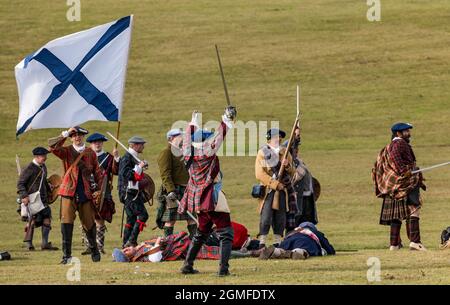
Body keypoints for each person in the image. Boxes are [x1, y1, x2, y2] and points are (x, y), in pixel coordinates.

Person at [178, 106, 237, 277]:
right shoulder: (207, 151)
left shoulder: (187, 151)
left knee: (201, 233)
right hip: (211, 197)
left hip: (197, 199)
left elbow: (188, 138)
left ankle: (187, 265)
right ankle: (223, 270)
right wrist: (227, 118)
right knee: (226, 233)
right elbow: (219, 138)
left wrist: (193, 122)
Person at [49, 126, 104, 264]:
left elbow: (97, 172)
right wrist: (65, 133)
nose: (77, 137)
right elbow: (52, 147)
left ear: (83, 136)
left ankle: (94, 250)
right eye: (73, 135)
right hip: (68, 191)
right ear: (71, 137)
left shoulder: (90, 153)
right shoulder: (66, 151)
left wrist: (100, 190)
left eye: (79, 135)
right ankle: (66, 255)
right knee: (66, 224)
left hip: (85, 192)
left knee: (89, 224)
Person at [372, 123, 427, 251]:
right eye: (406, 131)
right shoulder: (399, 144)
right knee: (414, 209)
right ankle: (415, 242)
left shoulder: (390, 145)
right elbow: (395, 157)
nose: (409, 133)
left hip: (395, 184)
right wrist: (404, 171)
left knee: (396, 215)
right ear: (398, 134)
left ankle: (394, 244)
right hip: (406, 182)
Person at [255, 128, 297, 248]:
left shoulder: (285, 152)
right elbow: (259, 174)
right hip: (268, 189)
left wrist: (287, 165)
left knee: (280, 216)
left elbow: (293, 172)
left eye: (279, 137)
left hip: (282, 188)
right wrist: (274, 184)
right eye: (275, 137)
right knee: (266, 215)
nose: (278, 139)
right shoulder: (263, 153)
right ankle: (262, 242)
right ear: (269, 139)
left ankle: (278, 241)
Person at [80, 133, 120, 255]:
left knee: (100, 219)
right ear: (91, 144)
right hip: (88, 191)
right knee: (86, 219)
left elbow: (116, 171)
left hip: (103, 192)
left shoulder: (108, 157)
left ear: (102, 143)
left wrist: (116, 159)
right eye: (95, 142)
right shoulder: (84, 157)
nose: (97, 144)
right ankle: (89, 246)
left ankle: (100, 246)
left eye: (99, 142)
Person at [156, 128, 196, 237]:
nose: (182, 138)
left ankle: (195, 244)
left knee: (191, 218)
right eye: (179, 136)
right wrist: (170, 190)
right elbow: (165, 174)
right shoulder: (166, 152)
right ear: (171, 138)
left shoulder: (181, 152)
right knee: (170, 219)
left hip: (187, 190)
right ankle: (168, 245)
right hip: (174, 190)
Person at [17, 147, 58, 251]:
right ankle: (29, 244)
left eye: (45, 156)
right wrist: (24, 196)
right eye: (43, 156)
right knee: (32, 220)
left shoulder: (43, 167)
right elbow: (20, 184)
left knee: (47, 218)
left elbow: (43, 182)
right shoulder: (29, 168)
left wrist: (50, 188)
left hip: (42, 199)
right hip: (32, 199)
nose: (45, 158)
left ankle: (45, 243)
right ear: (36, 156)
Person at [118, 136, 149, 248]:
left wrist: (141, 166)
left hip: (132, 192)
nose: (143, 146)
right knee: (143, 215)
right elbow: (128, 175)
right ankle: (131, 240)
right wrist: (139, 167)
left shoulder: (133, 157)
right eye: (141, 144)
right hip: (128, 193)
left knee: (131, 218)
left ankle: (126, 245)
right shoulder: (127, 158)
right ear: (134, 145)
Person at [287, 127, 319, 226]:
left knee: (308, 224)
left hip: (307, 197)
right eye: (294, 150)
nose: (296, 151)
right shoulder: (292, 163)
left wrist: (297, 136)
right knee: (297, 224)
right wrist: (295, 138)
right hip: (299, 198)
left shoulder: (299, 162)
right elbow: (294, 178)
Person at [259, 222, 335, 260]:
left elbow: (284, 240)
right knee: (303, 249)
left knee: (283, 248)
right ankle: (297, 252)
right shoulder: (316, 233)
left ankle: (277, 251)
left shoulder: (292, 232)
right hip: (305, 241)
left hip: (289, 240)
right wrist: (330, 251)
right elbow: (329, 248)